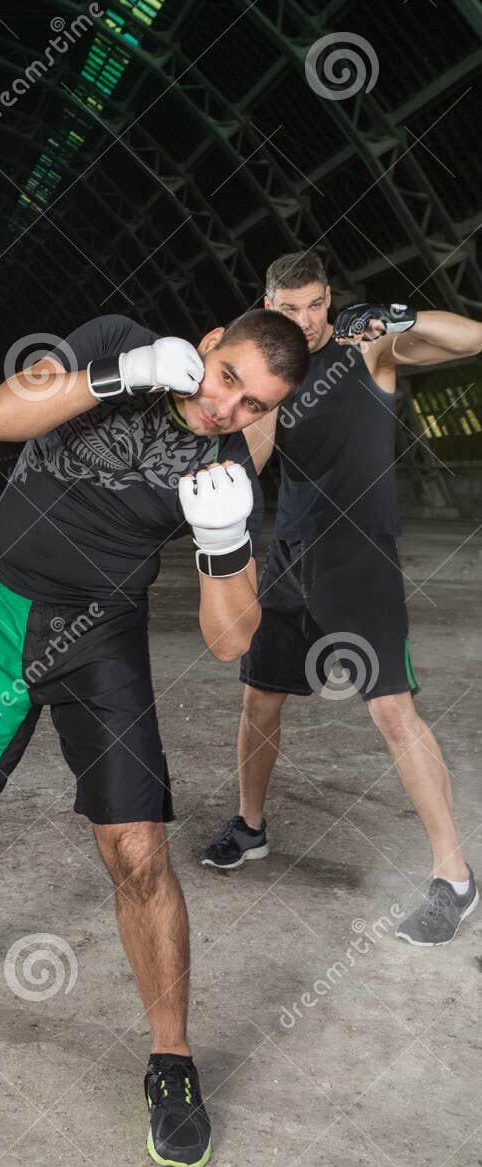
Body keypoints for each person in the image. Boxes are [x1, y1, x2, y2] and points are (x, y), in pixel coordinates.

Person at [0, 309, 308, 1167]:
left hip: (101, 632)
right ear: (208, 343)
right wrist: (118, 376)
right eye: (228, 377)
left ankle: (171, 1061)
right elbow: (2, 417)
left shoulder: (226, 468)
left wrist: (222, 541)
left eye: (255, 404)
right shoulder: (118, 342)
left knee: (139, 854)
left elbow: (233, 640)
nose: (228, 407)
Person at [202, 251, 480, 946]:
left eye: (315, 305)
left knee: (391, 709)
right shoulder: (270, 375)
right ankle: (251, 826)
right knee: (259, 697)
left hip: (361, 557)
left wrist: (400, 316)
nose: (305, 320)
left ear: (331, 299)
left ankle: (455, 877)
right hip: (291, 556)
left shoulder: (369, 349)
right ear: (268, 305)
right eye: (289, 309)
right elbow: (257, 454)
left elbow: (471, 337)